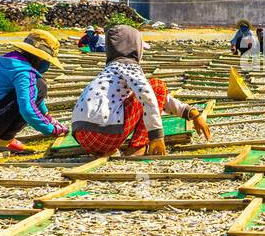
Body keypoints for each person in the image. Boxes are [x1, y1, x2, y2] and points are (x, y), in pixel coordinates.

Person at [70, 25, 211, 157]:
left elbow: (158, 99)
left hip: (83, 137)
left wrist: (192, 113)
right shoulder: (128, 66)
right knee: (157, 85)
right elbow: (150, 95)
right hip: (104, 135)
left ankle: (108, 150)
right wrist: (156, 136)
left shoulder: (108, 72)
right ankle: (137, 146)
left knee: (150, 90)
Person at [0, 30, 68, 153]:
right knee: (40, 85)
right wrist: (51, 130)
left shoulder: (12, 61)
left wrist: (48, 117)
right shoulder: (23, 72)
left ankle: (4, 140)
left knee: (36, 87)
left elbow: (33, 95)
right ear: (40, 59)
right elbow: (28, 108)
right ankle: (2, 141)